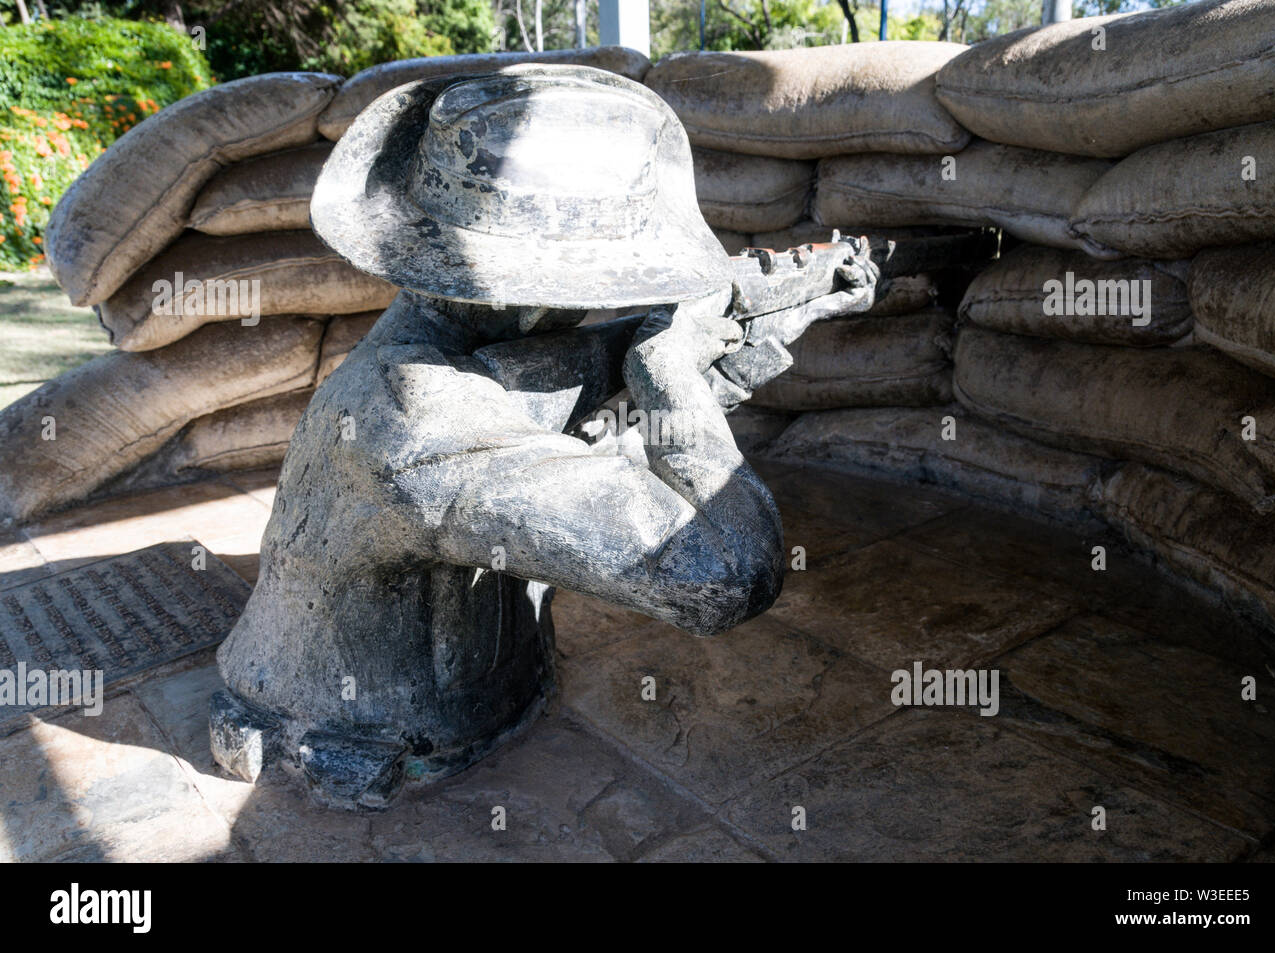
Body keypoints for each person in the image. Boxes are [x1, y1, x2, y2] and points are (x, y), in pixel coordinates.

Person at [210, 65, 876, 808]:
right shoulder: (417, 420)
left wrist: (760, 327)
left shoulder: (428, 365)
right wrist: (671, 366)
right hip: (373, 725)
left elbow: (602, 429)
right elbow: (726, 571)